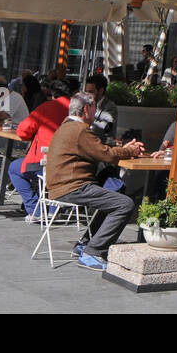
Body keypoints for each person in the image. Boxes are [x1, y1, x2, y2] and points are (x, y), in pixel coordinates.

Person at [44, 92, 147, 270]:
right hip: (72, 187)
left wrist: (124, 149)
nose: (95, 112)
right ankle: (94, 252)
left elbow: (100, 150)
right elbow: (105, 154)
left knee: (115, 196)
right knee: (125, 204)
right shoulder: (79, 130)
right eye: (94, 108)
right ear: (86, 109)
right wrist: (129, 150)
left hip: (63, 186)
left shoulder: (66, 127)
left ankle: (85, 244)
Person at [9, 80, 71, 221]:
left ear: (53, 95)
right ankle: (55, 208)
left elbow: (23, 131)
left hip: (45, 164)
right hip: (71, 165)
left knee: (14, 168)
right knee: (57, 171)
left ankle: (35, 210)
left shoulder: (46, 107)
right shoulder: (78, 109)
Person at [83, 74, 117, 140]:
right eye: (86, 91)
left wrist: (83, 124)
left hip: (103, 145)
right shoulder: (86, 103)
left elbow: (103, 128)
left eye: (90, 92)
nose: (87, 95)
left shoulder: (110, 107)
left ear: (101, 91)